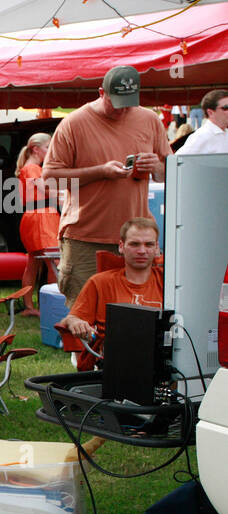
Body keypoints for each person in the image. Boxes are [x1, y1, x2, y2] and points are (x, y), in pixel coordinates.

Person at [42, 65, 171, 306]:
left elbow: (169, 172)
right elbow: (50, 178)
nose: (123, 111)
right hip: (86, 238)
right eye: (117, 102)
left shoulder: (149, 119)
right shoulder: (74, 123)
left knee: (140, 312)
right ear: (102, 93)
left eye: (129, 103)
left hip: (136, 238)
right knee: (85, 313)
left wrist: (157, 167)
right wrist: (100, 172)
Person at [60, 217, 163, 361]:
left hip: (160, 359)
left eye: (149, 244)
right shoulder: (100, 282)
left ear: (157, 248)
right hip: (113, 361)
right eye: (134, 244)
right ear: (121, 246)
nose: (142, 250)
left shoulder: (169, 282)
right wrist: (75, 323)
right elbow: (70, 319)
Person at [15, 132, 62, 317]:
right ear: (36, 149)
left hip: (33, 216)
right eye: (47, 148)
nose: (50, 152)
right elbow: (45, 189)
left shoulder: (27, 167)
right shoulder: (33, 168)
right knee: (54, 262)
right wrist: (63, 195)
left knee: (33, 263)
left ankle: (30, 306)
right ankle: (48, 306)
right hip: (42, 217)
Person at [176, 89, 228, 155]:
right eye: (226, 107)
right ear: (210, 112)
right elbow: (177, 161)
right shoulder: (202, 136)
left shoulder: (224, 133)